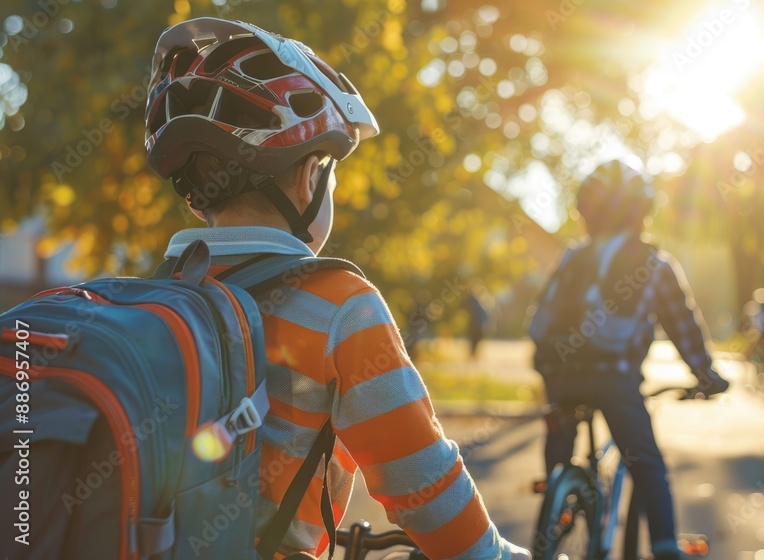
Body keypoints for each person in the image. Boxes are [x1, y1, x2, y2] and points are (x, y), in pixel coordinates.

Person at [144, 18, 529, 559]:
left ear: (195, 197)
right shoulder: (339, 304)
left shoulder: (156, 296)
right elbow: (423, 486)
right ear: (307, 179)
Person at [528, 159, 729, 560]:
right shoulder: (654, 265)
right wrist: (705, 375)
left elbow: (540, 322)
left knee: (560, 431)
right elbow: (682, 327)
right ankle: (665, 546)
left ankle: (559, 494)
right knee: (647, 463)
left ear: (586, 212)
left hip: (559, 372)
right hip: (613, 378)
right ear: (642, 213)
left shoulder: (572, 259)